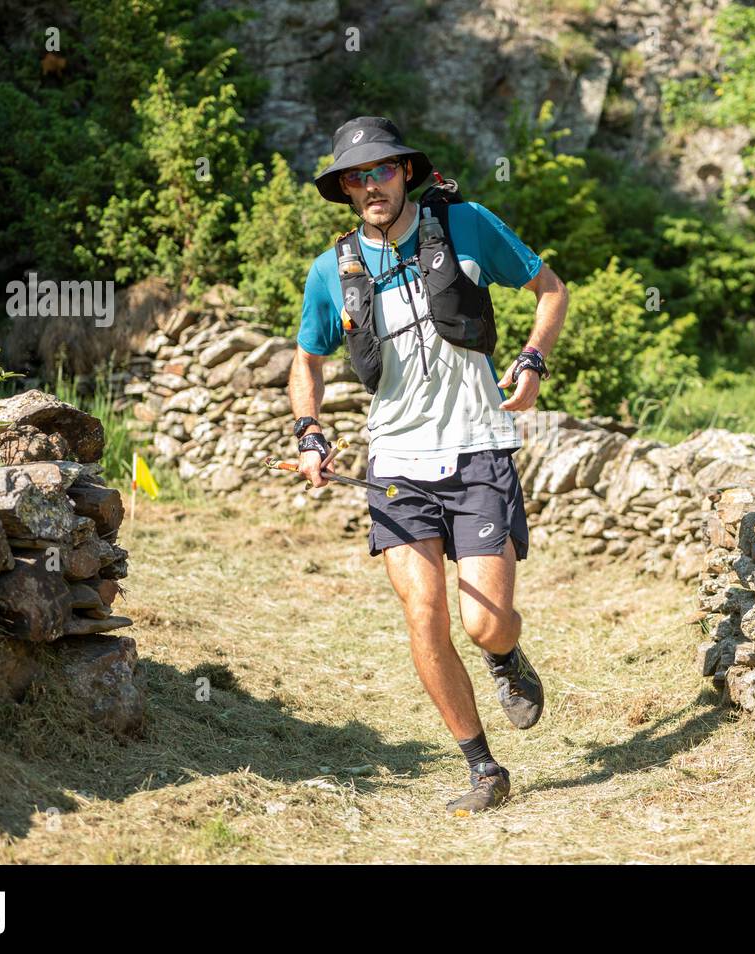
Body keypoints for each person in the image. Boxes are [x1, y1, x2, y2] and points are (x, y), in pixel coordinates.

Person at [288, 116, 568, 815]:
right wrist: (308, 430)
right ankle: (483, 767)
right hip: (394, 464)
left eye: (381, 170)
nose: (369, 185)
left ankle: (505, 658)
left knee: (488, 623)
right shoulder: (334, 269)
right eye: (355, 177)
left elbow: (552, 289)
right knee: (425, 612)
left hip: (477, 447)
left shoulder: (468, 224)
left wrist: (532, 362)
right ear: (345, 190)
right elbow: (307, 359)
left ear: (406, 171)